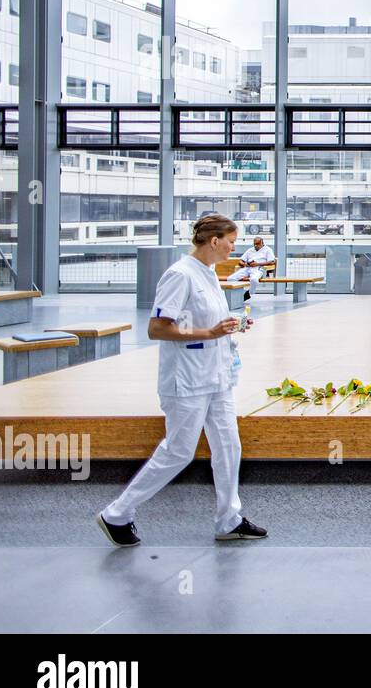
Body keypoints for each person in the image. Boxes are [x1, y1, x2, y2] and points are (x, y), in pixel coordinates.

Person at [97, 214, 267, 547]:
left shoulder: (209, 274)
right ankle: (117, 514)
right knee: (178, 452)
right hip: (186, 381)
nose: (235, 248)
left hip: (216, 377)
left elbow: (206, 321)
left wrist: (227, 326)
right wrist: (210, 331)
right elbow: (157, 328)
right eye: (231, 242)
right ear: (214, 241)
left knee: (229, 447)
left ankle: (229, 519)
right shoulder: (179, 275)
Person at [228, 235, 276, 301]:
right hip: (247, 268)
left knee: (254, 280)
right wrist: (245, 264)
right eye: (255, 244)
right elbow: (240, 261)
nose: (256, 245)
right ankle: (241, 293)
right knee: (230, 279)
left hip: (258, 268)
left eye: (258, 244)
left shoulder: (268, 250)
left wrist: (257, 264)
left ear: (262, 243)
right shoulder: (250, 250)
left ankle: (249, 294)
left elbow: (272, 262)